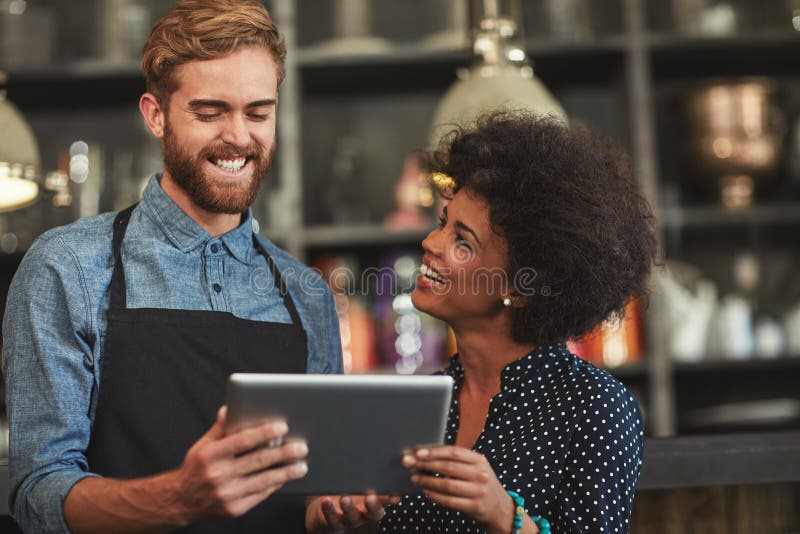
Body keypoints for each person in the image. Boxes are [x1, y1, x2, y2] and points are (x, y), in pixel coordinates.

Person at [1, 1, 386, 532]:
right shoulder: (69, 267)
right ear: (156, 116)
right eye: (210, 112)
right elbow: (36, 490)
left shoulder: (306, 293)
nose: (238, 137)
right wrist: (180, 497)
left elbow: (310, 487)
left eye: (258, 112)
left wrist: (330, 509)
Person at [375, 111, 657, 533]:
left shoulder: (596, 408)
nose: (430, 243)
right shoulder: (420, 403)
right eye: (442, 224)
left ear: (523, 286)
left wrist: (506, 516)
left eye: (462, 241)